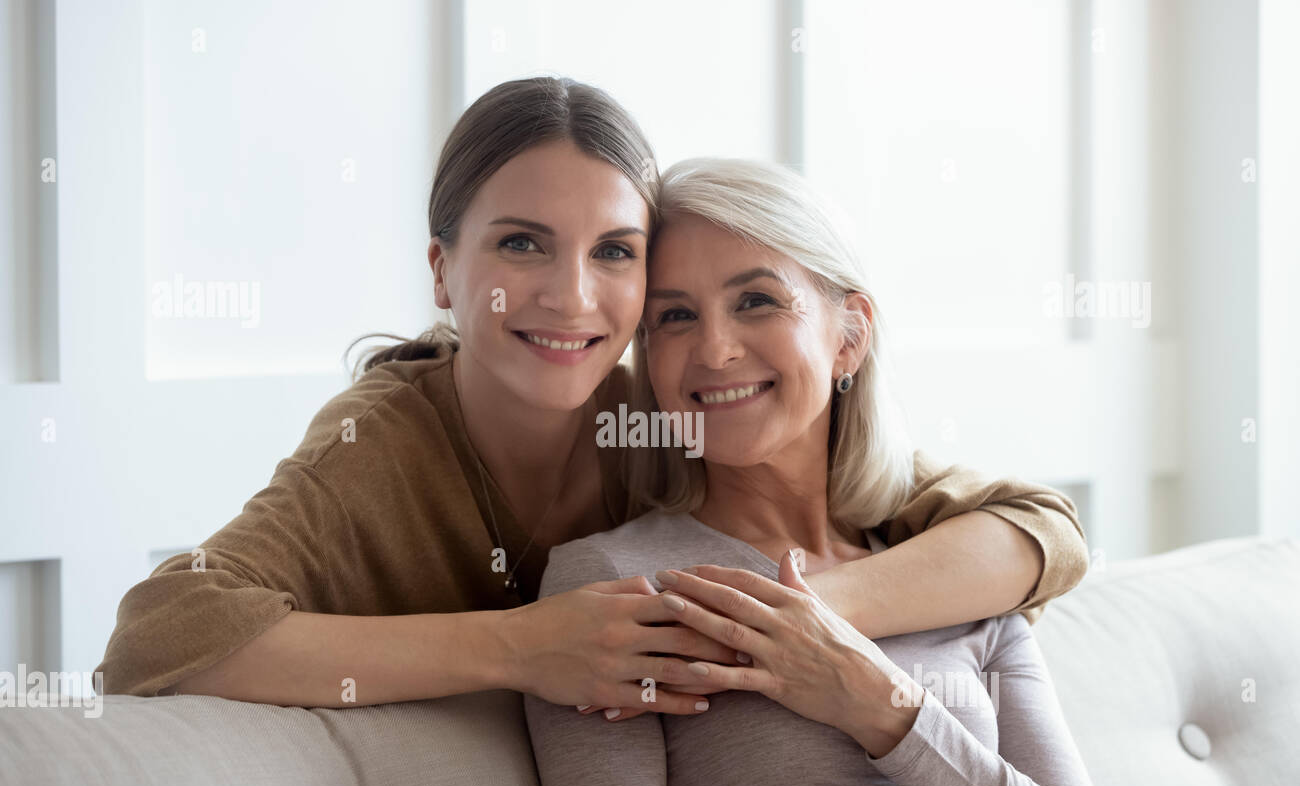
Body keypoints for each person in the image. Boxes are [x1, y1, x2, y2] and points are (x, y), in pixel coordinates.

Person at [96, 77, 1089, 721]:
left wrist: (804, 612)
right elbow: (155, 634)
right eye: (521, 243)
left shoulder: (670, 408)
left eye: (615, 252)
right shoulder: (378, 444)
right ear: (443, 270)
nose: (572, 297)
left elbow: (1040, 527)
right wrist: (523, 645)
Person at [523, 157, 1125, 786]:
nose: (714, 349)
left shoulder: (956, 577)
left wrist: (878, 703)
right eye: (676, 317)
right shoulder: (614, 586)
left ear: (848, 337)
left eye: (756, 301)